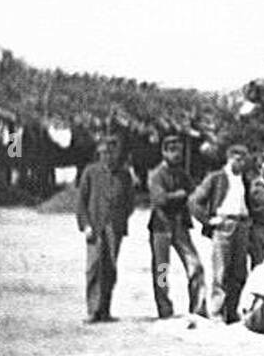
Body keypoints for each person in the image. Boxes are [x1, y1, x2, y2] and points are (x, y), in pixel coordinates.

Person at [188, 143, 253, 324]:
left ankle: (231, 311)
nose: (241, 163)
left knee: (239, 272)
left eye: (243, 160)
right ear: (229, 159)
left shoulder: (245, 180)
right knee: (221, 271)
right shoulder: (216, 178)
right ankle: (216, 312)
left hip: (241, 226)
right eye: (237, 159)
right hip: (223, 226)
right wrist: (209, 220)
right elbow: (194, 201)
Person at [76, 133, 136, 323]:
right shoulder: (90, 172)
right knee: (94, 267)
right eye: (104, 153)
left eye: (112, 153)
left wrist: (121, 220)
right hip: (94, 227)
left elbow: (130, 201)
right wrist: (85, 225)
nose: (108, 156)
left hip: (114, 228)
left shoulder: (125, 174)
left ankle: (105, 310)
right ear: (99, 154)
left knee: (110, 268)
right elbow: (81, 202)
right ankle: (93, 310)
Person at [146, 134, 205, 319]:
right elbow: (160, 199)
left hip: (180, 226)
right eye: (172, 150)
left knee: (195, 266)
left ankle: (198, 308)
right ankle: (164, 308)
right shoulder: (156, 175)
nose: (176, 154)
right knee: (162, 269)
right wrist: (181, 194)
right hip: (161, 228)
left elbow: (194, 193)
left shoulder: (182, 174)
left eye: (178, 150)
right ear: (164, 152)